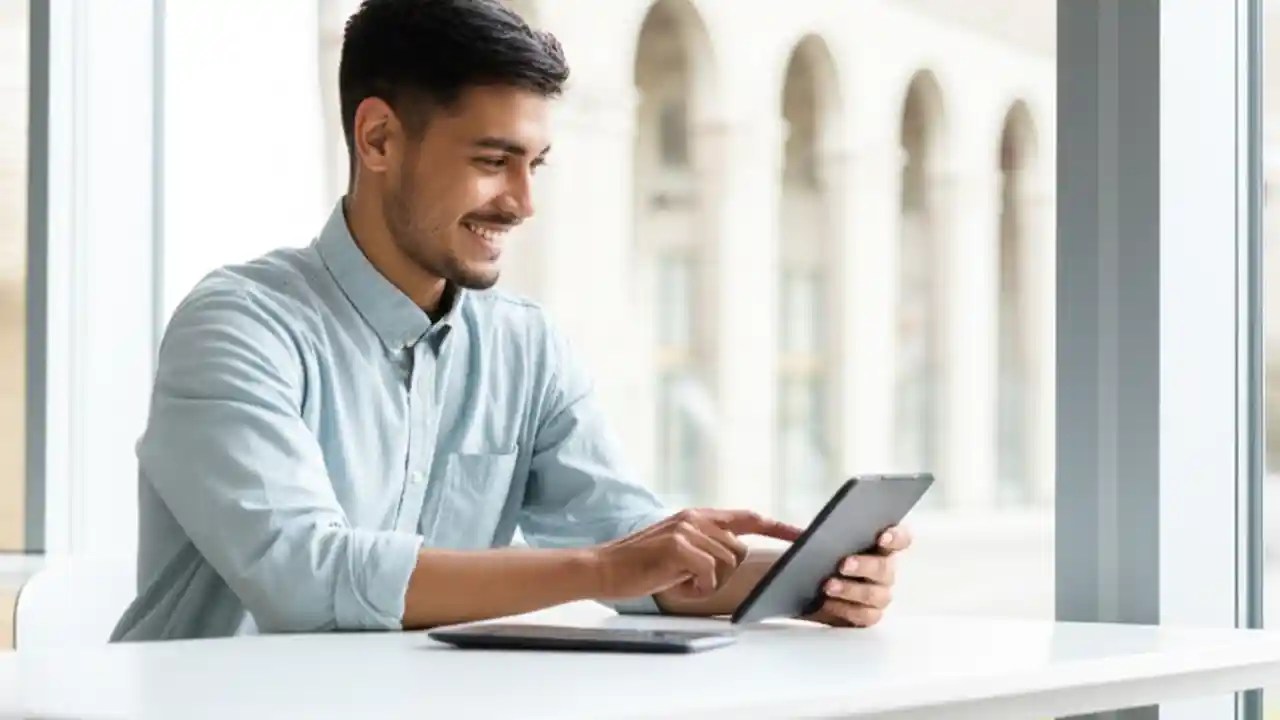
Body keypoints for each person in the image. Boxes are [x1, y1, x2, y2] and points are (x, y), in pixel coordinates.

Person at [110, 0, 912, 642]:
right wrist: (599, 569)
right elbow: (303, 578)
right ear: (379, 137)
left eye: (536, 166)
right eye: (493, 162)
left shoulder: (524, 346)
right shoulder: (239, 326)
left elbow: (634, 548)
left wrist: (811, 580)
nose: (523, 204)